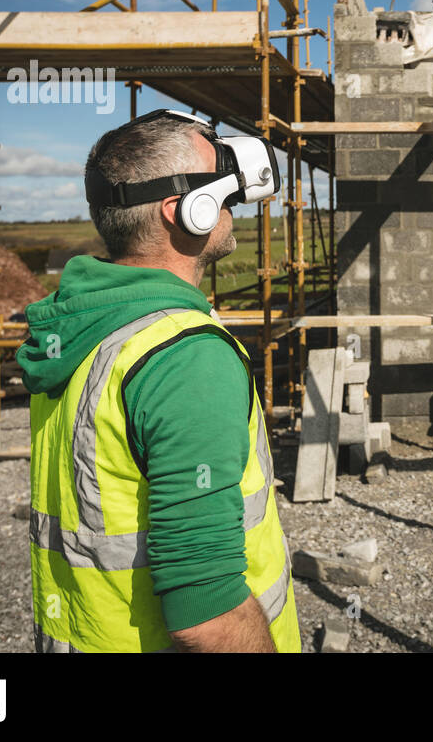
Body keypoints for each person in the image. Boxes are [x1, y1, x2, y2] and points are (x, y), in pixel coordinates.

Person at [16, 110, 299, 652]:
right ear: (186, 211)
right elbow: (206, 613)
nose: (234, 204)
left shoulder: (82, 326)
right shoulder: (185, 358)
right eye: (223, 189)